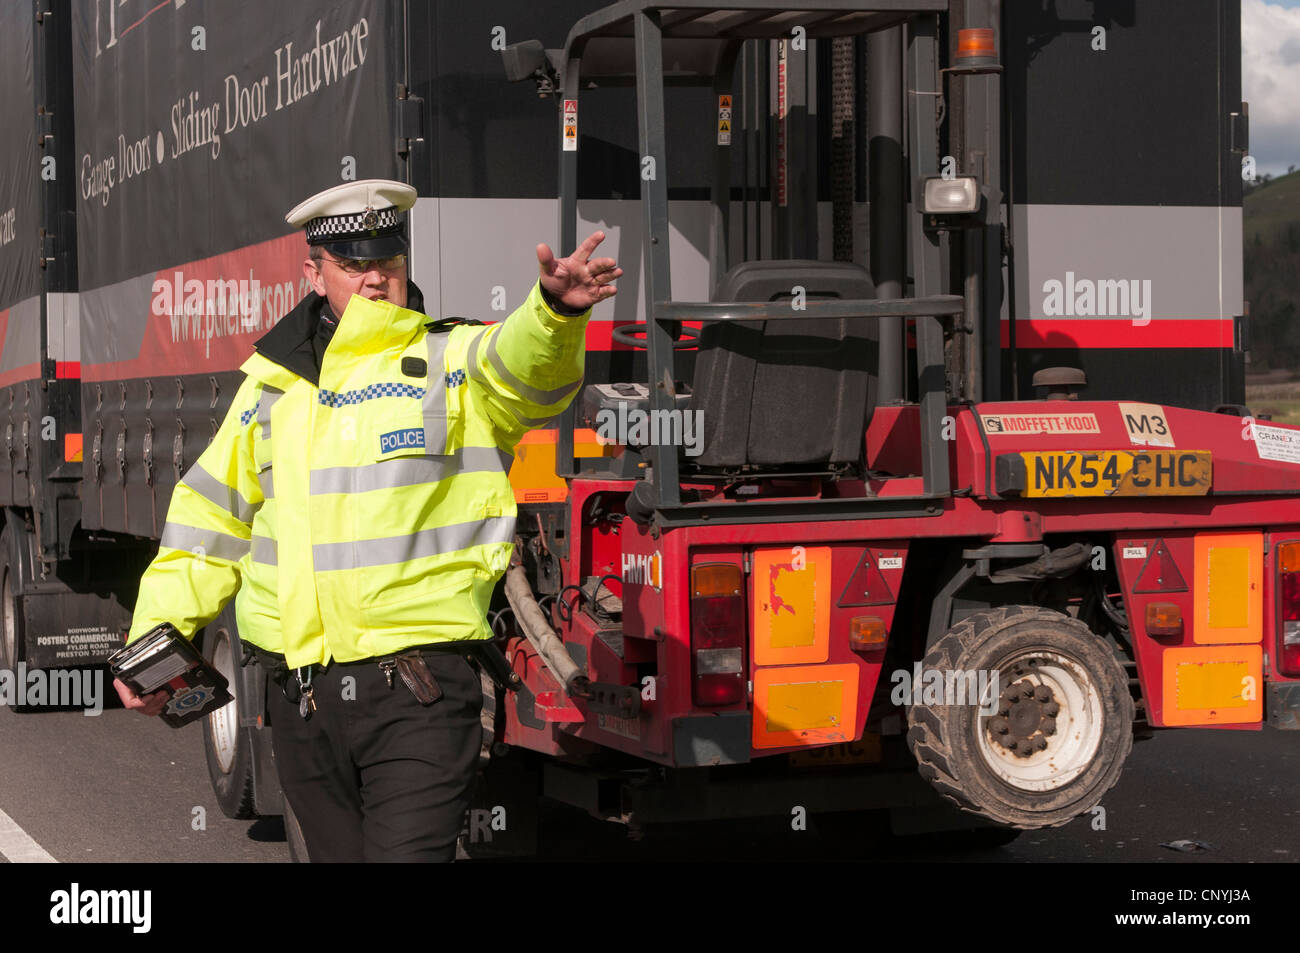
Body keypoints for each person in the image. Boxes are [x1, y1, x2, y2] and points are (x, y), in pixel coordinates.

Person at [115, 178, 620, 861]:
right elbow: (209, 521)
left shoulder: (450, 361)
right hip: (303, 704)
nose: (375, 278)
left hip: (418, 694)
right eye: (354, 264)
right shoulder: (270, 388)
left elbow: (524, 370)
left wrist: (553, 315)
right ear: (313, 271)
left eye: (387, 260)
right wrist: (157, 631)